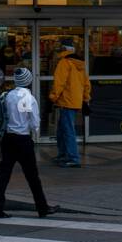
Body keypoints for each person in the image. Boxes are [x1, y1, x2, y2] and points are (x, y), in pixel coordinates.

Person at [0, 67, 60, 220]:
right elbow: (35, 124)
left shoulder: (8, 96)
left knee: (3, 175)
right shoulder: (29, 98)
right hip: (23, 139)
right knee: (32, 177)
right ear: (29, 81)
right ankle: (42, 208)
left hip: (8, 138)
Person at [49, 39, 91, 169]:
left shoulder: (64, 62)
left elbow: (59, 83)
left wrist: (53, 97)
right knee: (62, 130)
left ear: (63, 49)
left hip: (66, 101)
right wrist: (85, 99)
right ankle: (63, 155)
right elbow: (86, 84)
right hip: (75, 101)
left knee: (67, 130)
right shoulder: (80, 64)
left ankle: (73, 158)